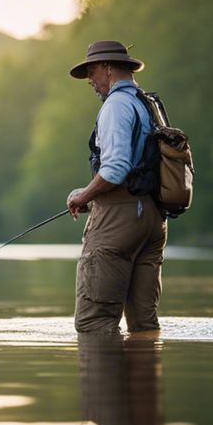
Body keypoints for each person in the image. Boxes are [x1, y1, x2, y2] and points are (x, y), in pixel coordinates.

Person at [66, 40, 167, 334]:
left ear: (108, 69)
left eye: (92, 71)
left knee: (93, 322)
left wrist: (82, 195)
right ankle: (146, 377)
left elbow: (116, 168)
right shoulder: (146, 103)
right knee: (143, 325)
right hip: (152, 219)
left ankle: (105, 379)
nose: (90, 80)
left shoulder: (116, 105)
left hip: (119, 221)